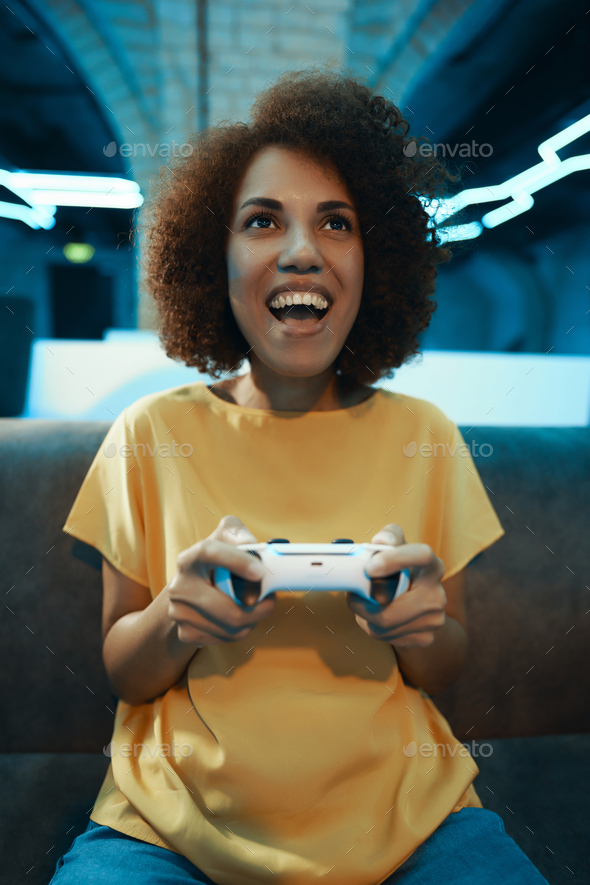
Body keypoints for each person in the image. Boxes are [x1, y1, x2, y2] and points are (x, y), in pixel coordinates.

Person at [51, 69, 549, 885]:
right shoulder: (151, 433)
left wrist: (420, 627)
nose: (301, 251)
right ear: (216, 256)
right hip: (164, 832)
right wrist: (178, 618)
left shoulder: (424, 435)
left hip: (417, 827)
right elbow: (122, 668)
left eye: (336, 222)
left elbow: (444, 663)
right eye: (261, 220)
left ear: (375, 256)